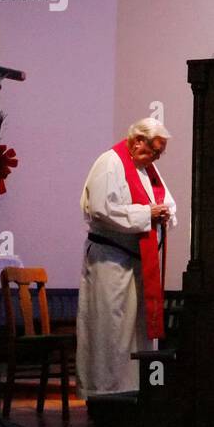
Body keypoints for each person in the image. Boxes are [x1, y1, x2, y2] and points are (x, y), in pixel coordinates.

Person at [76, 118, 176, 397]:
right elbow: (101, 209)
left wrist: (165, 212)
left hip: (135, 261)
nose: (156, 158)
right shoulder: (110, 163)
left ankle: (134, 388)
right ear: (137, 142)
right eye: (154, 151)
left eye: (160, 153)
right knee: (111, 328)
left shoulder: (146, 169)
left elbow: (165, 200)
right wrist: (148, 214)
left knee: (134, 330)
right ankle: (105, 392)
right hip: (109, 260)